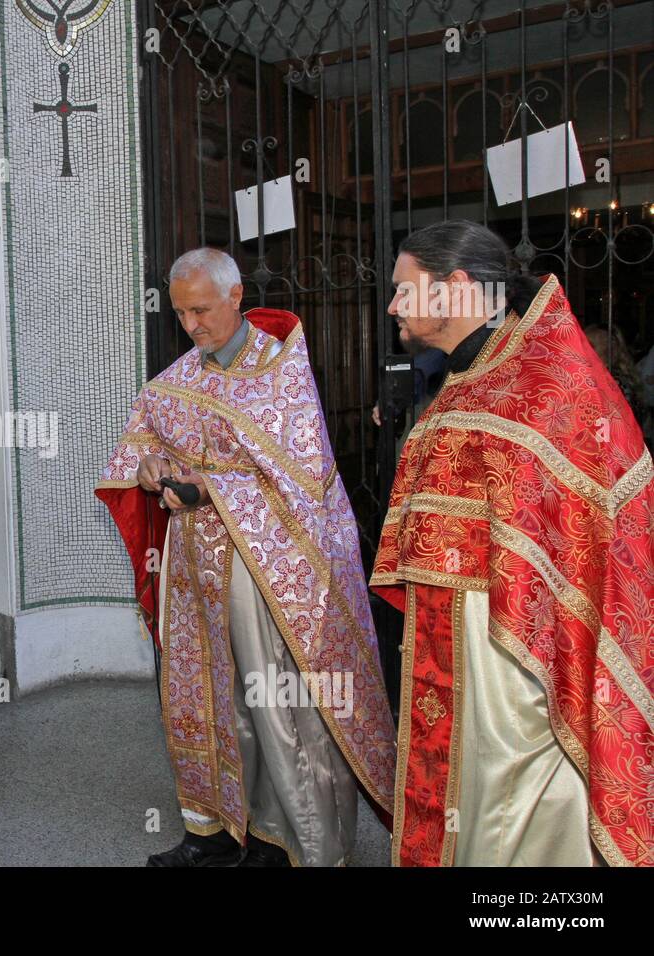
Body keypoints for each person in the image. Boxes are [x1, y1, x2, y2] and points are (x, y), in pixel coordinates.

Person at [96, 248, 396, 866]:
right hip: (192, 563)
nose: (192, 325)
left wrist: (210, 487)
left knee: (273, 699)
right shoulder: (178, 379)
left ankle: (291, 839)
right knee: (202, 695)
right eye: (180, 313)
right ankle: (211, 828)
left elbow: (301, 475)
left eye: (201, 310)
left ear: (235, 297)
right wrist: (151, 469)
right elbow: (143, 446)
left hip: (264, 565)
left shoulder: (280, 371)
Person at [372, 219, 654, 866]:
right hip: (452, 646)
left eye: (404, 289)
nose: (392, 305)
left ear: (455, 289)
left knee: (510, 809)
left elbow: (584, 530)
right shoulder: (469, 372)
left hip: (519, 657)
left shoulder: (549, 379)